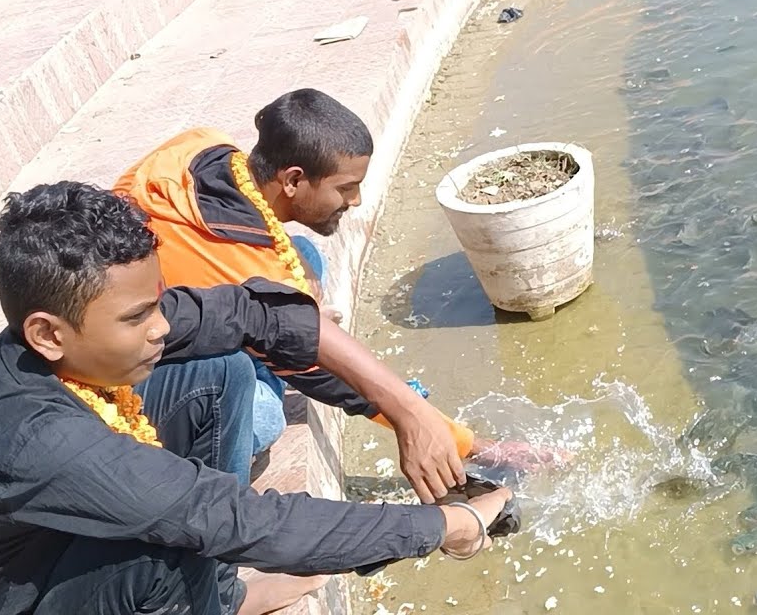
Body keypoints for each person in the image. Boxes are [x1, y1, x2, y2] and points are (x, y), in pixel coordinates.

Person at [0, 182, 513, 615]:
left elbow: (254, 314)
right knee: (165, 557)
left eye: (158, 303)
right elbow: (236, 519)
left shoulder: (75, 342)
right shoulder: (37, 438)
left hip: (55, 536)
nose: (161, 327)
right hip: (17, 599)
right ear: (48, 333)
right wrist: (447, 526)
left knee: (221, 371)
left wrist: (407, 410)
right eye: (137, 316)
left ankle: (221, 593)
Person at [113, 88, 552, 488]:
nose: (355, 200)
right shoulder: (234, 268)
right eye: (346, 188)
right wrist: (476, 445)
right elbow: (333, 378)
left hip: (178, 302)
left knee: (304, 249)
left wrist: (296, 282)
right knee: (259, 410)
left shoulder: (206, 145)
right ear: (293, 180)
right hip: (136, 372)